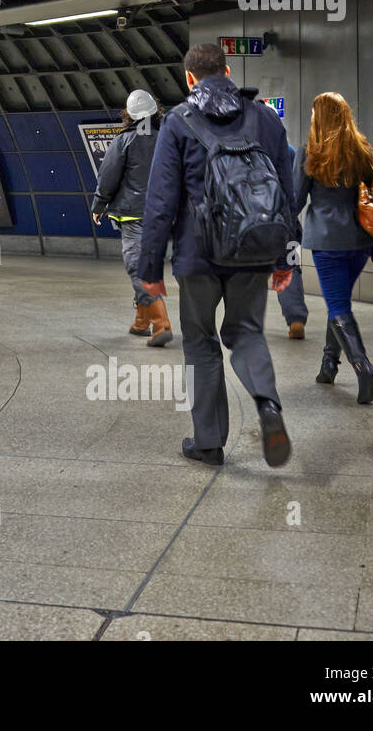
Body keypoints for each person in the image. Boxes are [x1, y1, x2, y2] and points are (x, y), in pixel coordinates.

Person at [136, 43, 296, 469]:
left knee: (202, 344)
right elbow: (286, 192)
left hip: (197, 256)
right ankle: (269, 408)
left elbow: (160, 201)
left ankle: (208, 443)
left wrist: (149, 270)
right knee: (246, 334)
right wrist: (285, 259)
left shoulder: (177, 122)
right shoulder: (264, 117)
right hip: (254, 249)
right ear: (227, 70)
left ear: (189, 78)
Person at [294, 92, 373, 404]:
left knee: (338, 308)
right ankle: (328, 366)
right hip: (359, 242)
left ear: (319, 118)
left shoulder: (310, 154)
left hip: (327, 243)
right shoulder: (362, 151)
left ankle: (363, 367)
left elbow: (295, 200)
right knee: (339, 302)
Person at [91, 89, 172, 347]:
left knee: (138, 267)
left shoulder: (123, 141)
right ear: (155, 111)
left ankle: (161, 323)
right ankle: (141, 322)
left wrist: (99, 205)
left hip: (134, 216)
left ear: (129, 115)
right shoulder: (167, 138)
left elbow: (108, 176)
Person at [276, 143, 309, 339]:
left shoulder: (240, 150)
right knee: (291, 266)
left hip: (250, 223)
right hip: (287, 222)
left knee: (244, 273)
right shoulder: (288, 151)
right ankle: (296, 319)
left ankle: (242, 325)